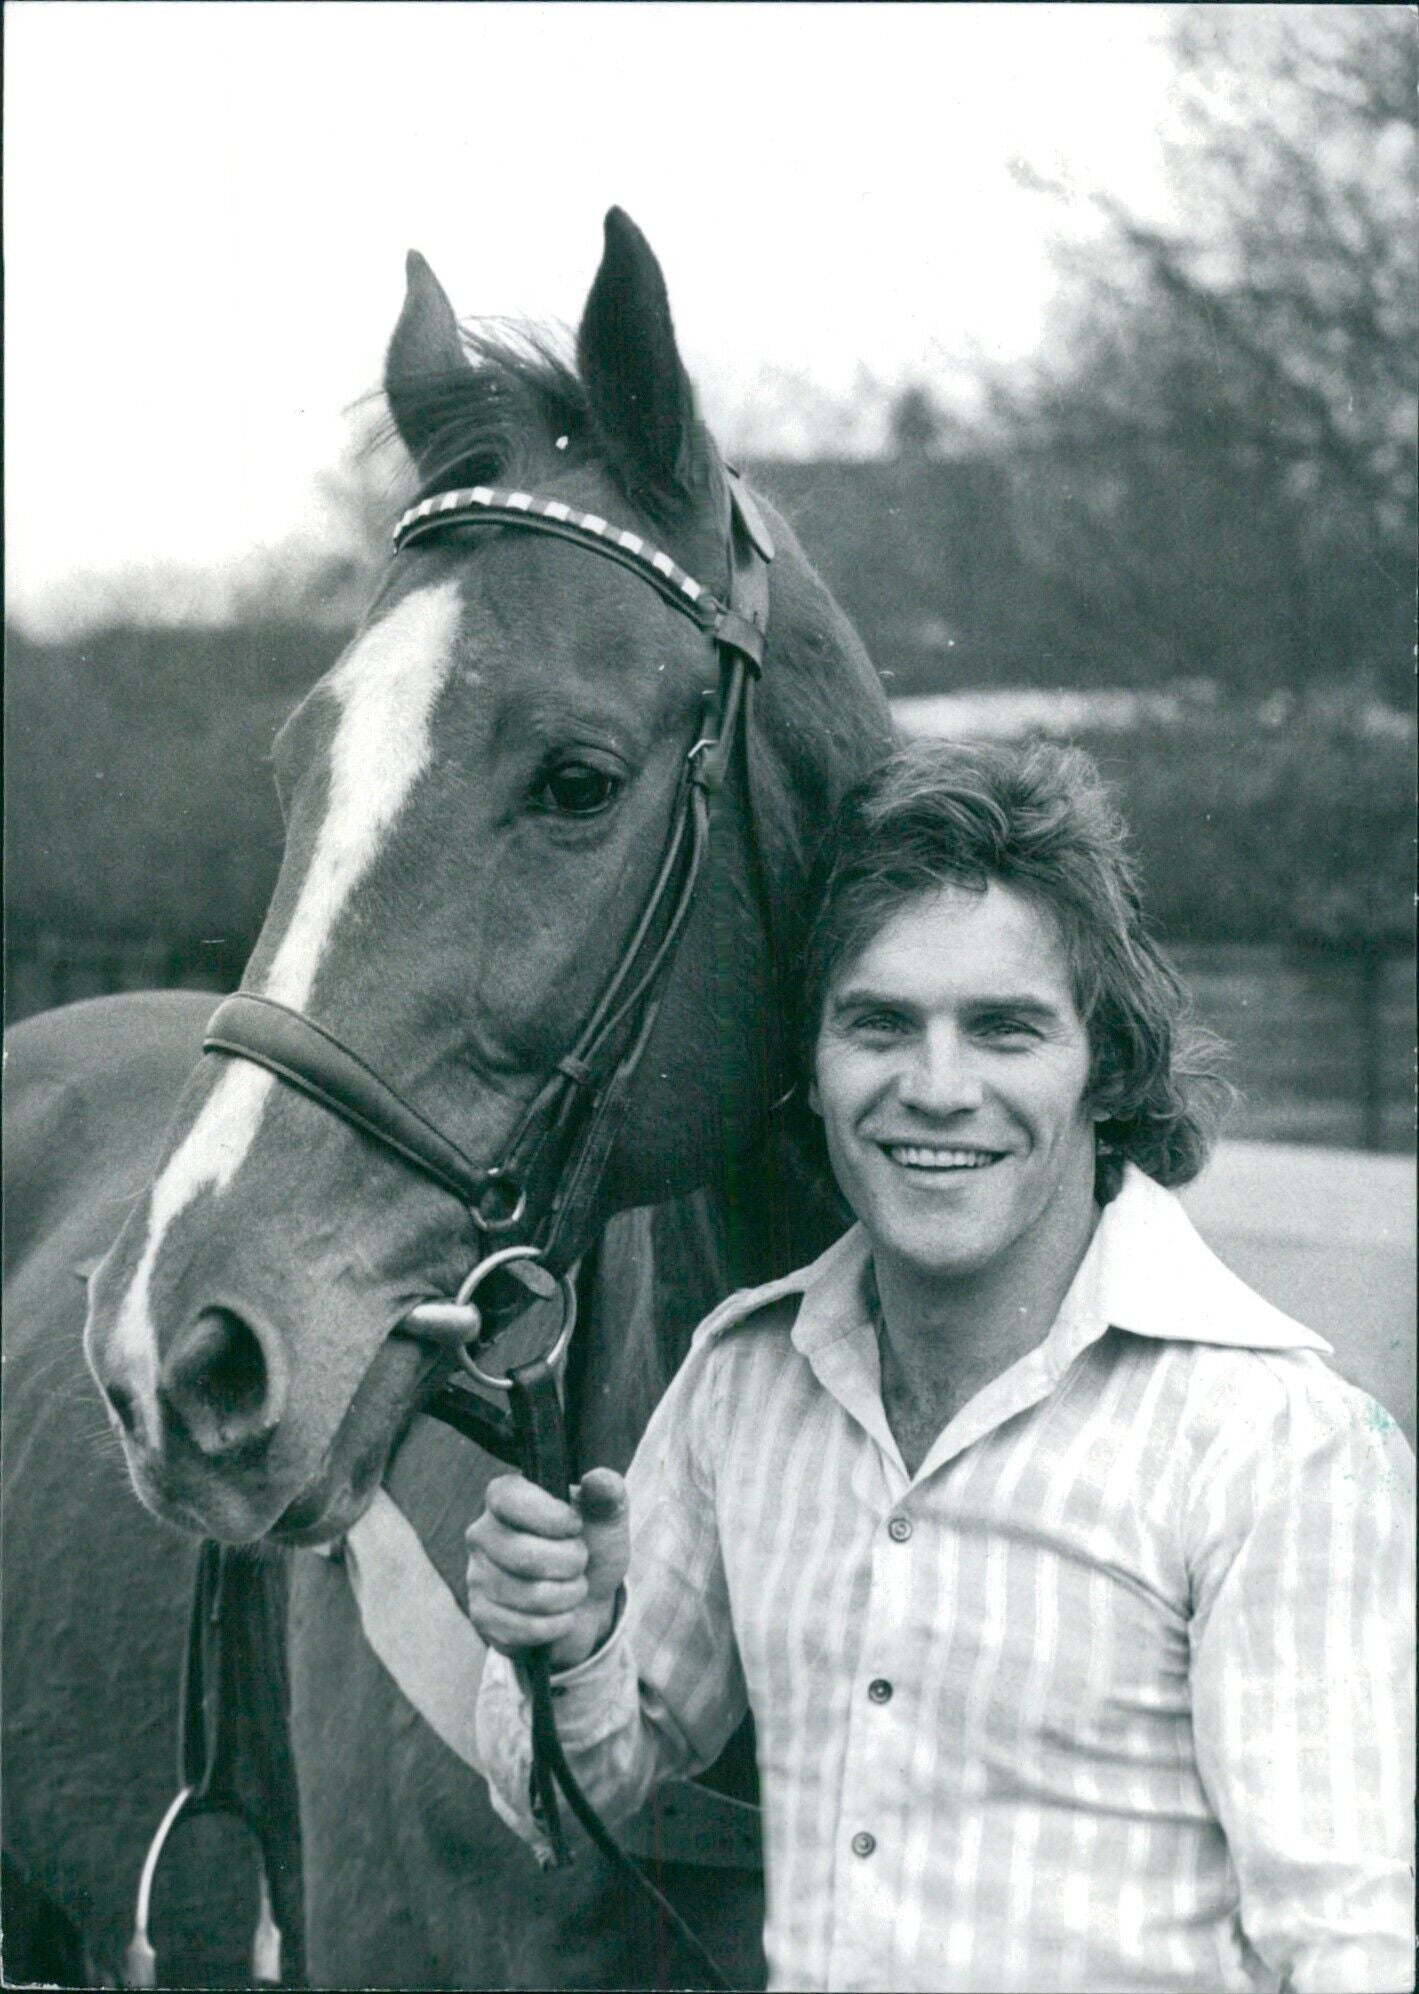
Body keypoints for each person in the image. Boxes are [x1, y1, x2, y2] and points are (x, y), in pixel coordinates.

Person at [466, 739, 1414, 1994]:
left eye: (1007, 1028)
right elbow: (577, 1792)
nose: (938, 1086)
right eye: (879, 1023)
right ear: (809, 1067)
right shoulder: (745, 1382)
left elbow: (1352, 1948)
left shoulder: (1275, 1442)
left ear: (1109, 1065)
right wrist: (573, 1643)